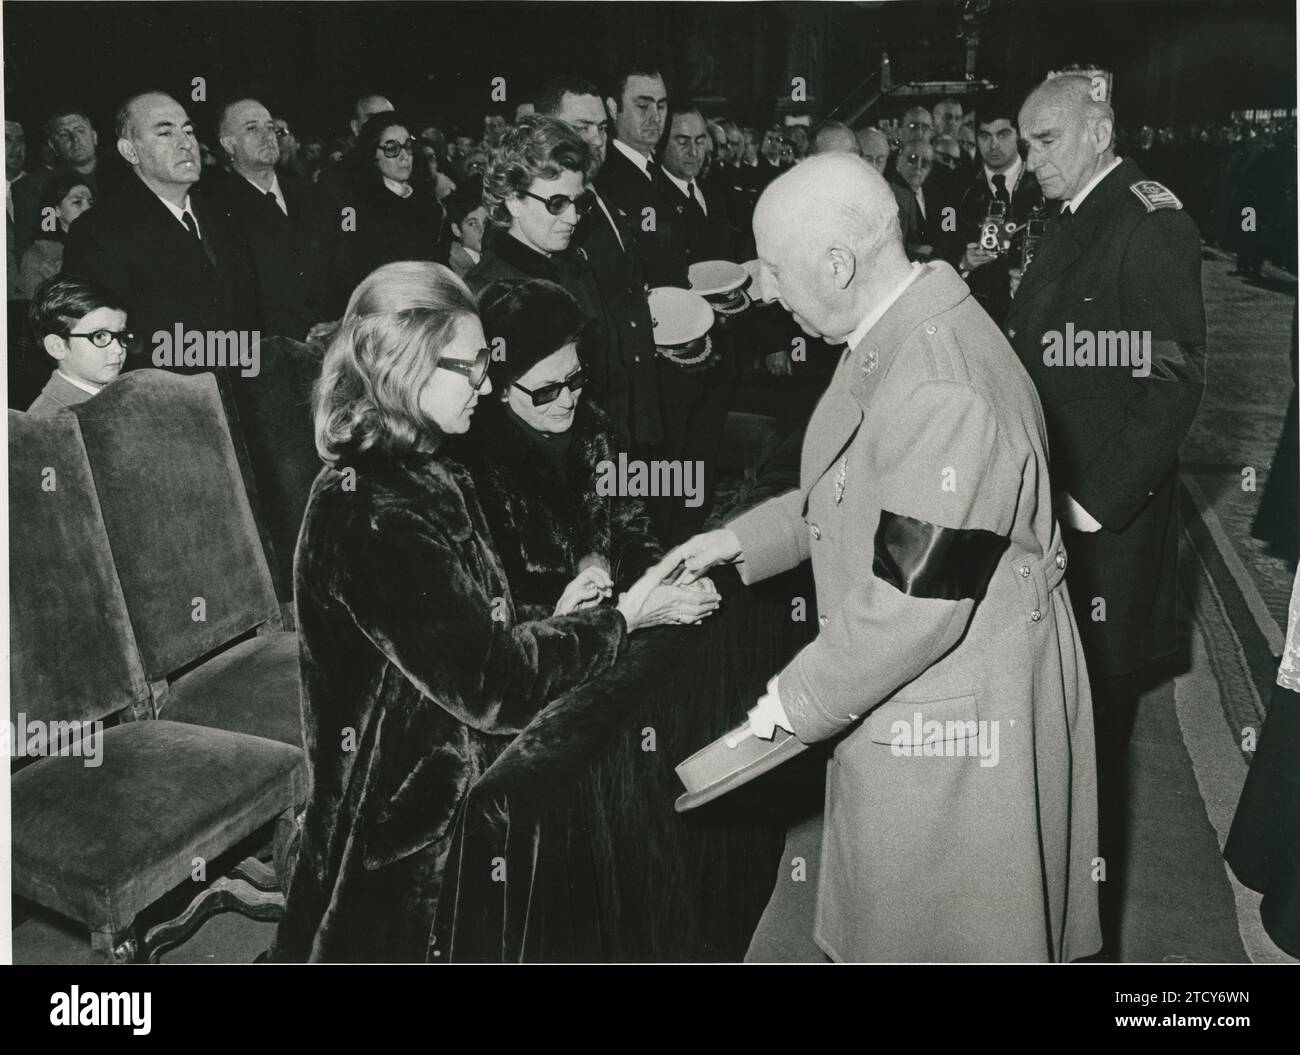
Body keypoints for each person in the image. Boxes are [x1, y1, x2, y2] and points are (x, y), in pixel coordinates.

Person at [671, 154, 1100, 963]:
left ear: (836, 266)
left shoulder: (942, 385)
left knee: (941, 938)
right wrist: (740, 541)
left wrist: (783, 708)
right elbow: (859, 493)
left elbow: (912, 602)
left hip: (956, 722)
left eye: (772, 267)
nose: (762, 288)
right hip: (928, 694)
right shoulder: (895, 331)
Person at [272, 260, 686, 962]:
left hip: (441, 774)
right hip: (408, 822)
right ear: (406, 364)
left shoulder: (422, 469)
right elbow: (493, 687)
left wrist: (547, 610)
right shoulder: (374, 507)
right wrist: (624, 619)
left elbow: (457, 622)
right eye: (472, 367)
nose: (489, 385)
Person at [1006, 73, 1206, 951]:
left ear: (1100, 128)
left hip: (1104, 536)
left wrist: (1093, 504)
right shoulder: (1081, 209)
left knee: (1098, 750)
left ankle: (1091, 942)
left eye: (1046, 140)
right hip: (1060, 517)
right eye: (1025, 142)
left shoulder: (1150, 219)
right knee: (1063, 733)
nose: (1030, 158)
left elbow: (1171, 382)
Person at [452, 277, 720, 624]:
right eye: (546, 391)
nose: (567, 401)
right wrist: (579, 600)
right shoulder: (473, 463)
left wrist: (660, 578)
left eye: (575, 379)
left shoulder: (597, 428)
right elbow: (503, 589)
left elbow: (630, 527)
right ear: (501, 390)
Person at [61, 91, 258, 373]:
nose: (186, 143)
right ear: (130, 151)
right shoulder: (99, 231)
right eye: (165, 133)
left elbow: (248, 322)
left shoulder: (224, 216)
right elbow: (99, 345)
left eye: (188, 131)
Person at [535, 75, 663, 449]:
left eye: (602, 129)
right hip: (591, 421)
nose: (596, 140)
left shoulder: (605, 198)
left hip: (637, 406)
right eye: (581, 128)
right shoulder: (546, 221)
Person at [213, 97, 325, 341]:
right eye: (252, 128)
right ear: (228, 144)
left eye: (271, 127)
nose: (268, 135)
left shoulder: (309, 194)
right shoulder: (217, 207)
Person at [326, 111, 447, 312]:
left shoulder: (429, 205)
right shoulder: (356, 208)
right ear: (374, 155)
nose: (403, 156)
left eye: (408, 146)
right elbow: (349, 271)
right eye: (391, 148)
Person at [946, 97, 1045, 326]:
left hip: (1032, 316)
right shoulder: (955, 189)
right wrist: (963, 263)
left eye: (1003, 134)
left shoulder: (1045, 184)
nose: (993, 145)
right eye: (985, 136)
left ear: (1018, 134)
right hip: (976, 318)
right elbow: (943, 244)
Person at [26, 273, 129, 415]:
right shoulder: (48, 422)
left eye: (121, 335)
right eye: (99, 336)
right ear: (57, 347)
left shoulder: (124, 395)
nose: (118, 349)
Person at [19, 172, 93, 299]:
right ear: (56, 210)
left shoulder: (103, 244)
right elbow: (38, 306)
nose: (87, 208)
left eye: (91, 202)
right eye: (77, 202)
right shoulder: (38, 256)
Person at [444, 188, 486, 278]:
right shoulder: (454, 268)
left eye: (485, 223)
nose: (482, 230)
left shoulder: (489, 254)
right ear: (457, 230)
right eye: (472, 224)